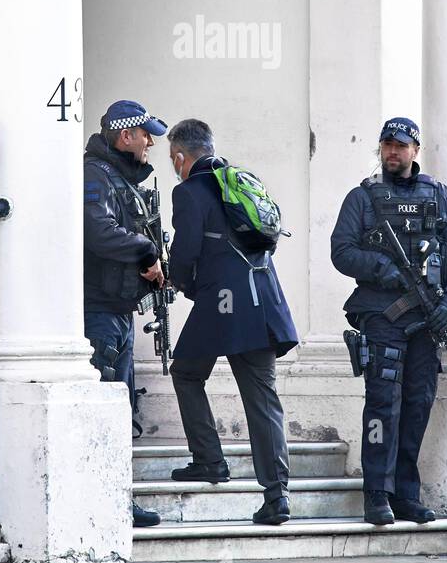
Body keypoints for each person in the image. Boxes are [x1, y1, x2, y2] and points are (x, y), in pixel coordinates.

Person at [330, 116, 447, 527]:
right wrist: (381, 269)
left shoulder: (439, 196)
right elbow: (341, 251)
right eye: (387, 145)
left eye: (401, 145)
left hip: (428, 319)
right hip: (383, 314)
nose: (393, 152)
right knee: (382, 404)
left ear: (415, 150)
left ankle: (407, 493)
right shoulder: (363, 198)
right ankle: (377, 493)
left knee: (417, 405)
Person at [166, 119, 298, 525]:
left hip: (220, 304)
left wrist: (182, 283)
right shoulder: (242, 181)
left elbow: (186, 252)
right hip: (264, 301)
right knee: (262, 399)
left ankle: (209, 459)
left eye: (173, 159)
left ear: (180, 157)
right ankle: (277, 497)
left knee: (186, 373)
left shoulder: (188, 191)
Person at [83, 99, 169, 530]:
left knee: (120, 408)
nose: (150, 142)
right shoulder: (95, 176)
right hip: (99, 311)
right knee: (105, 406)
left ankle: (116, 496)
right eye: (144, 134)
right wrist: (146, 252)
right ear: (125, 136)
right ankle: (103, 499)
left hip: (117, 310)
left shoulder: (119, 177)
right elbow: (98, 232)